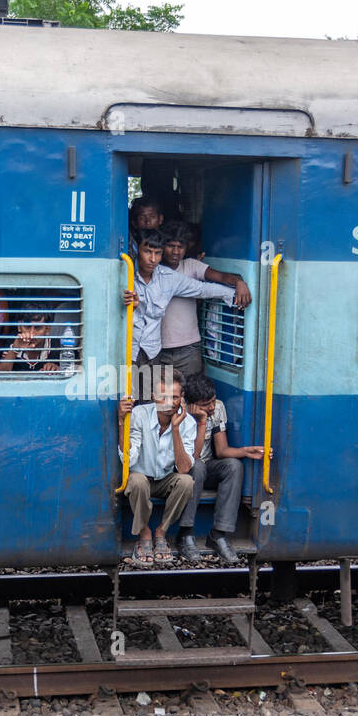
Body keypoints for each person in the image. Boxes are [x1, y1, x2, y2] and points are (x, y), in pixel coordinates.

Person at [121, 229, 235, 397]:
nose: (153, 259)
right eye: (147, 252)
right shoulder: (123, 274)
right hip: (126, 351)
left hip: (152, 353)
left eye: (157, 253)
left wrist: (234, 291)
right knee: (127, 401)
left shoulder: (168, 277)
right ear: (138, 250)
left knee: (153, 402)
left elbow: (202, 289)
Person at [177, 373, 268, 563]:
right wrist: (200, 421)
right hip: (182, 471)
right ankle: (185, 533)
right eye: (205, 404)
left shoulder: (217, 408)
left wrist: (246, 451)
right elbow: (192, 458)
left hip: (205, 466)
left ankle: (218, 534)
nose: (211, 407)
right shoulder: (179, 413)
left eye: (212, 401)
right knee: (198, 466)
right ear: (190, 403)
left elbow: (222, 450)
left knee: (233, 467)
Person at [117, 371, 196, 566]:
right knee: (136, 480)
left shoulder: (188, 423)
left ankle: (161, 531)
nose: (169, 402)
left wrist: (175, 430)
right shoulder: (139, 414)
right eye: (163, 396)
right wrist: (121, 421)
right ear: (153, 397)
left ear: (182, 398)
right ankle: (145, 532)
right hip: (141, 479)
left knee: (186, 482)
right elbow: (129, 457)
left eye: (174, 397)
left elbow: (184, 468)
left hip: (164, 481)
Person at [158, 221, 251, 378]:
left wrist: (239, 282)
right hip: (157, 349)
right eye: (170, 246)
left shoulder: (191, 266)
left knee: (191, 395)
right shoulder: (154, 271)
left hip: (189, 348)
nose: (175, 251)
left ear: (186, 248)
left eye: (180, 247)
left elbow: (221, 276)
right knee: (159, 396)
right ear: (162, 247)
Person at [0, 309, 59, 374]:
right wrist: (14, 349)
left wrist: (55, 368)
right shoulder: (12, 341)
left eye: (38, 328)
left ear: (47, 329)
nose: (32, 333)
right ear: (19, 327)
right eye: (27, 327)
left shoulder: (57, 347)